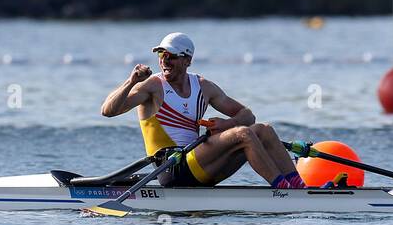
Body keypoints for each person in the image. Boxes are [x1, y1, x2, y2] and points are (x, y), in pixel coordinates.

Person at [100, 32, 307, 188]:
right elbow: (107, 111)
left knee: (264, 130)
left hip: (199, 165)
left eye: (171, 55)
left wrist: (226, 124)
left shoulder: (203, 86)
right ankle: (283, 192)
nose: (164, 60)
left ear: (187, 60)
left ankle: (299, 188)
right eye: (161, 54)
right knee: (244, 134)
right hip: (171, 169)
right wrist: (131, 81)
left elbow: (247, 115)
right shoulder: (152, 87)